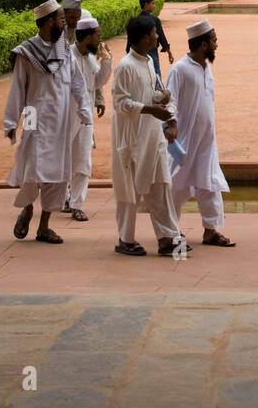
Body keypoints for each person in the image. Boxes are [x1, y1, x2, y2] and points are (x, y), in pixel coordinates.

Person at [3, 0, 93, 244]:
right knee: (33, 165)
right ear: (48, 21)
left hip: (62, 118)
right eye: (61, 19)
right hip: (33, 114)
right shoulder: (27, 52)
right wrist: (11, 121)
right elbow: (17, 88)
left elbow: (77, 83)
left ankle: (44, 226)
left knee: (57, 171)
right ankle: (28, 209)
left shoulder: (65, 49)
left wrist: (85, 110)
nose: (65, 23)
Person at [110, 13, 188, 257]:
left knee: (161, 188)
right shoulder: (125, 67)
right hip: (132, 141)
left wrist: (160, 98)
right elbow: (121, 102)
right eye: (155, 32)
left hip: (152, 139)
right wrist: (149, 108)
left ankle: (168, 238)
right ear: (145, 37)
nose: (158, 36)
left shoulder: (146, 63)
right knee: (128, 192)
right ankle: (126, 239)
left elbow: (149, 93)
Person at [167, 20, 235, 247]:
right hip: (185, 140)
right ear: (203, 44)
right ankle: (171, 230)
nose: (217, 45)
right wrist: (171, 124)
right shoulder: (179, 69)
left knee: (209, 183)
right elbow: (169, 101)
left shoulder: (206, 68)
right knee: (178, 185)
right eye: (213, 40)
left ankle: (210, 230)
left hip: (206, 140)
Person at [64, 15, 112, 221]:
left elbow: (98, 81)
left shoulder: (91, 58)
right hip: (66, 118)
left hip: (85, 121)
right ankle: (64, 197)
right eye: (97, 36)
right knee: (64, 161)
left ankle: (77, 204)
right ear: (87, 37)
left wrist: (107, 60)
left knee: (83, 161)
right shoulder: (67, 57)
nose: (100, 40)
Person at [139, 0, 173, 80]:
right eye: (153, 3)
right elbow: (161, 36)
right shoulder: (154, 20)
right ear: (146, 5)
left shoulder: (136, 20)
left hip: (139, 52)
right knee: (156, 75)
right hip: (152, 51)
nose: (155, 6)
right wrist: (169, 52)